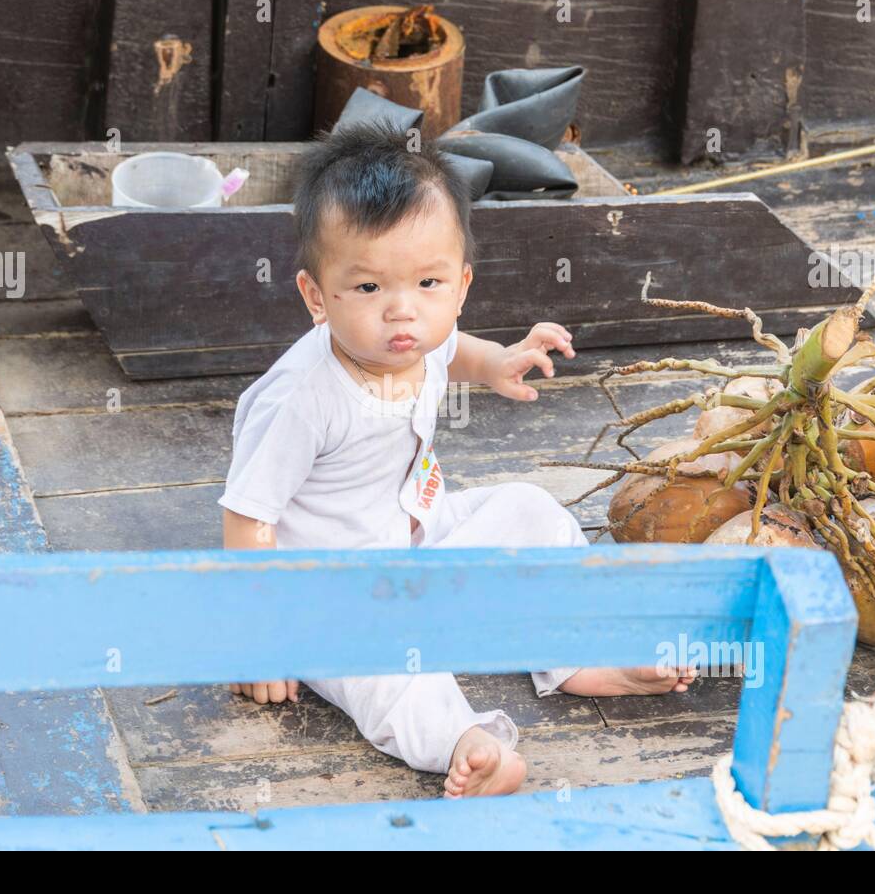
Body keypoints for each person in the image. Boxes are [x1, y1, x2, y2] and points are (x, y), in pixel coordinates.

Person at [219, 120, 695, 799]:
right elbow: (247, 516)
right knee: (388, 670)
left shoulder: (417, 334)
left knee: (532, 511)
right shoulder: (302, 397)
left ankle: (581, 652)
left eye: (428, 282)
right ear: (316, 296)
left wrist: (495, 362)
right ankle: (467, 743)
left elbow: (451, 348)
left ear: (460, 284)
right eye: (367, 289)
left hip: (416, 537)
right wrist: (259, 636)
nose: (401, 311)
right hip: (333, 592)